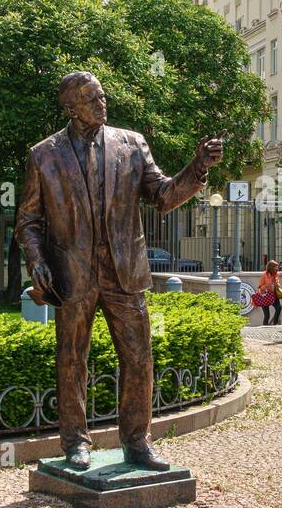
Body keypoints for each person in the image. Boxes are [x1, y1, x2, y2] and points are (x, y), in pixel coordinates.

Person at [15, 70, 223, 471]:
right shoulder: (44, 155)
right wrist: (37, 260)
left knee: (139, 356)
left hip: (124, 271)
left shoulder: (132, 145)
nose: (101, 103)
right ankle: (75, 442)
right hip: (72, 274)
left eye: (102, 96)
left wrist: (197, 167)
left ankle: (138, 443)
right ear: (71, 107)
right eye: (92, 99)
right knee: (72, 359)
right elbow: (28, 220)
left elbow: (163, 196)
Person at [252, 259, 282, 325]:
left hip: (274, 295)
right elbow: (260, 286)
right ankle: (265, 327)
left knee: (278, 308)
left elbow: (277, 283)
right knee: (267, 315)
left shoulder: (276, 274)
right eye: (275, 267)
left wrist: (277, 284)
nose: (277, 268)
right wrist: (267, 285)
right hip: (265, 296)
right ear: (271, 267)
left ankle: (275, 324)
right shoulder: (264, 275)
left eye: (277, 266)